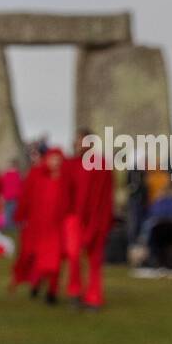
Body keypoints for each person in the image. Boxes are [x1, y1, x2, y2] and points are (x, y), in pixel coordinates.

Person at [12, 146, 74, 303]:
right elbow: (26, 198)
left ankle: (52, 291)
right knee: (38, 258)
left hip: (57, 227)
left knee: (55, 261)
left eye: (58, 160)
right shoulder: (36, 176)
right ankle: (36, 283)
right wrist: (21, 216)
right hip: (38, 226)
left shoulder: (66, 180)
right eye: (53, 159)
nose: (55, 163)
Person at [65, 132, 114, 310]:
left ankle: (93, 296)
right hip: (74, 217)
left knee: (94, 259)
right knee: (73, 256)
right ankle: (75, 291)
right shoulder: (70, 164)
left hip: (97, 217)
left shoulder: (101, 164)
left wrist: (103, 219)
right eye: (76, 141)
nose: (77, 144)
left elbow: (105, 194)